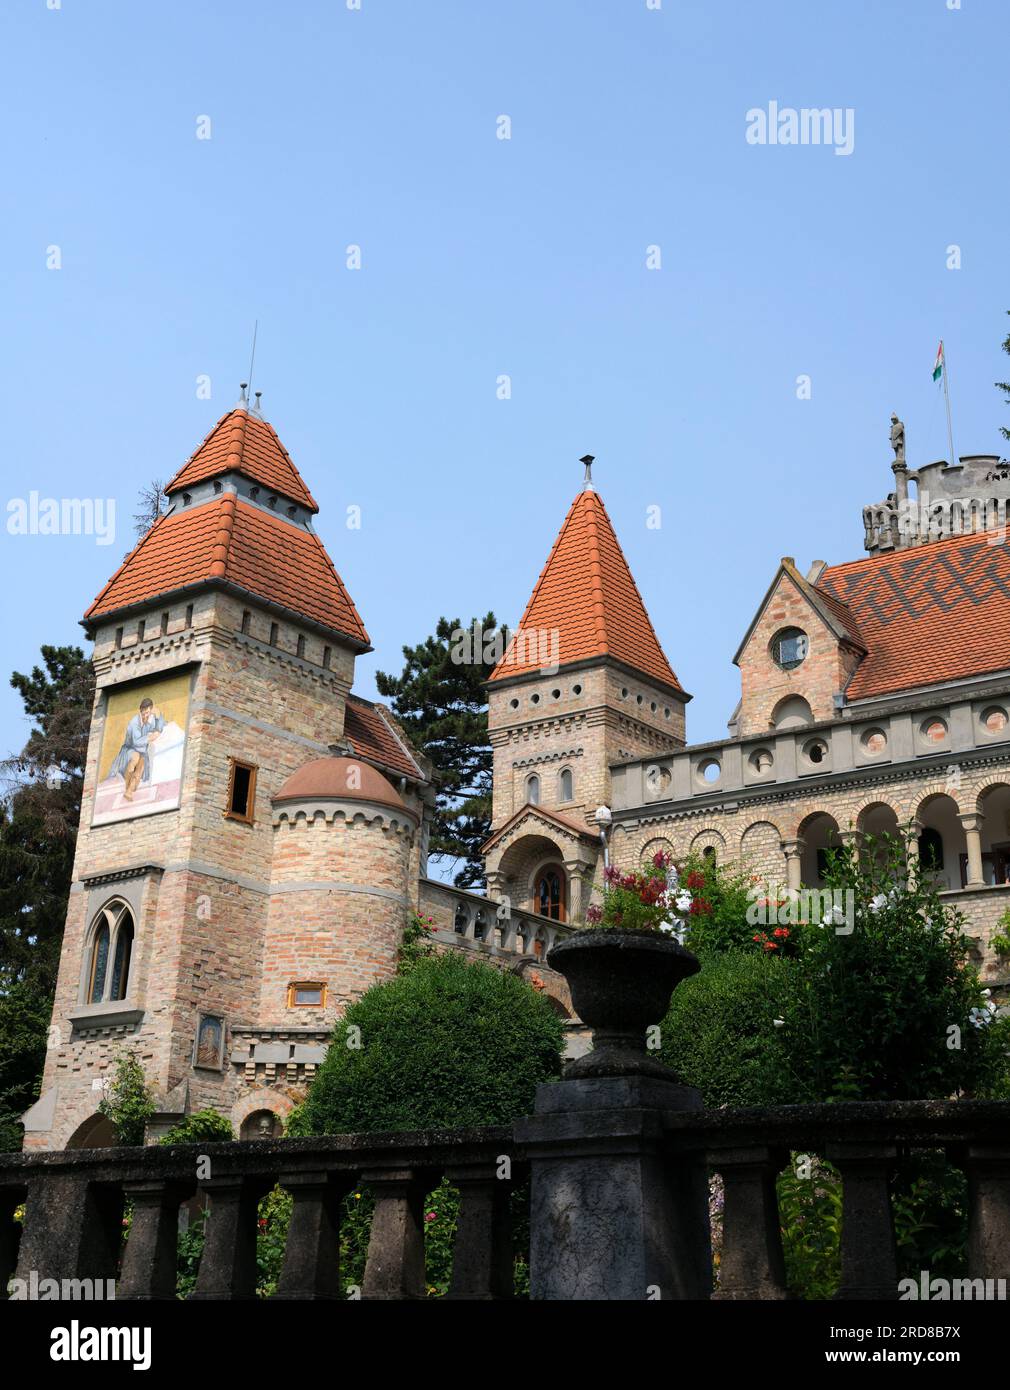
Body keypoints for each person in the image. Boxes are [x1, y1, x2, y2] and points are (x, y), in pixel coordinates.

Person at [108, 697, 165, 801]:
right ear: (140, 710)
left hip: (142, 751)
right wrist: (150, 737)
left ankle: (129, 791)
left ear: (151, 710)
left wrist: (158, 717)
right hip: (129, 749)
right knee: (135, 758)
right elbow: (136, 742)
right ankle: (127, 786)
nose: (146, 715)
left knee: (141, 766)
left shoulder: (150, 719)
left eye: (148, 712)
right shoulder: (134, 722)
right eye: (144, 713)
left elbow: (160, 728)